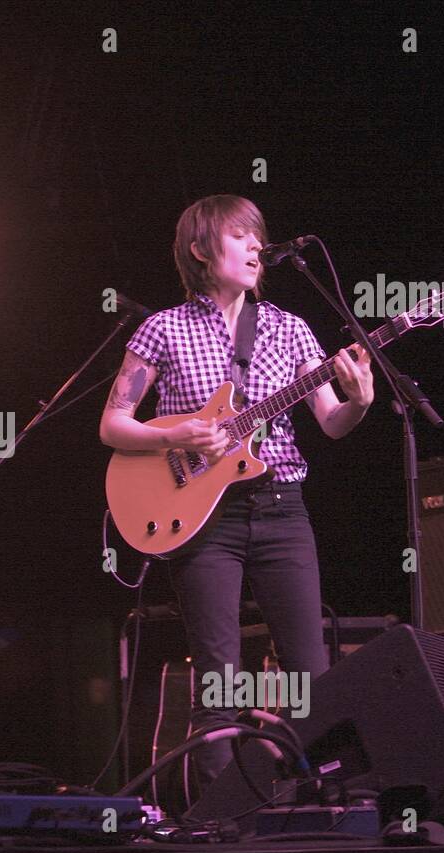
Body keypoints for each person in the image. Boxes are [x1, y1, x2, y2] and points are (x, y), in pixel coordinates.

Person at [98, 194, 373, 795]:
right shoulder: (162, 328)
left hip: (282, 508)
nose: (256, 248)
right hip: (203, 519)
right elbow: (113, 422)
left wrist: (359, 400)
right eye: (241, 236)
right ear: (201, 249)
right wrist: (172, 431)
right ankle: (221, 821)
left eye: (259, 237)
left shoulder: (290, 328)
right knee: (218, 679)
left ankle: (310, 805)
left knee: (309, 675)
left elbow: (330, 423)